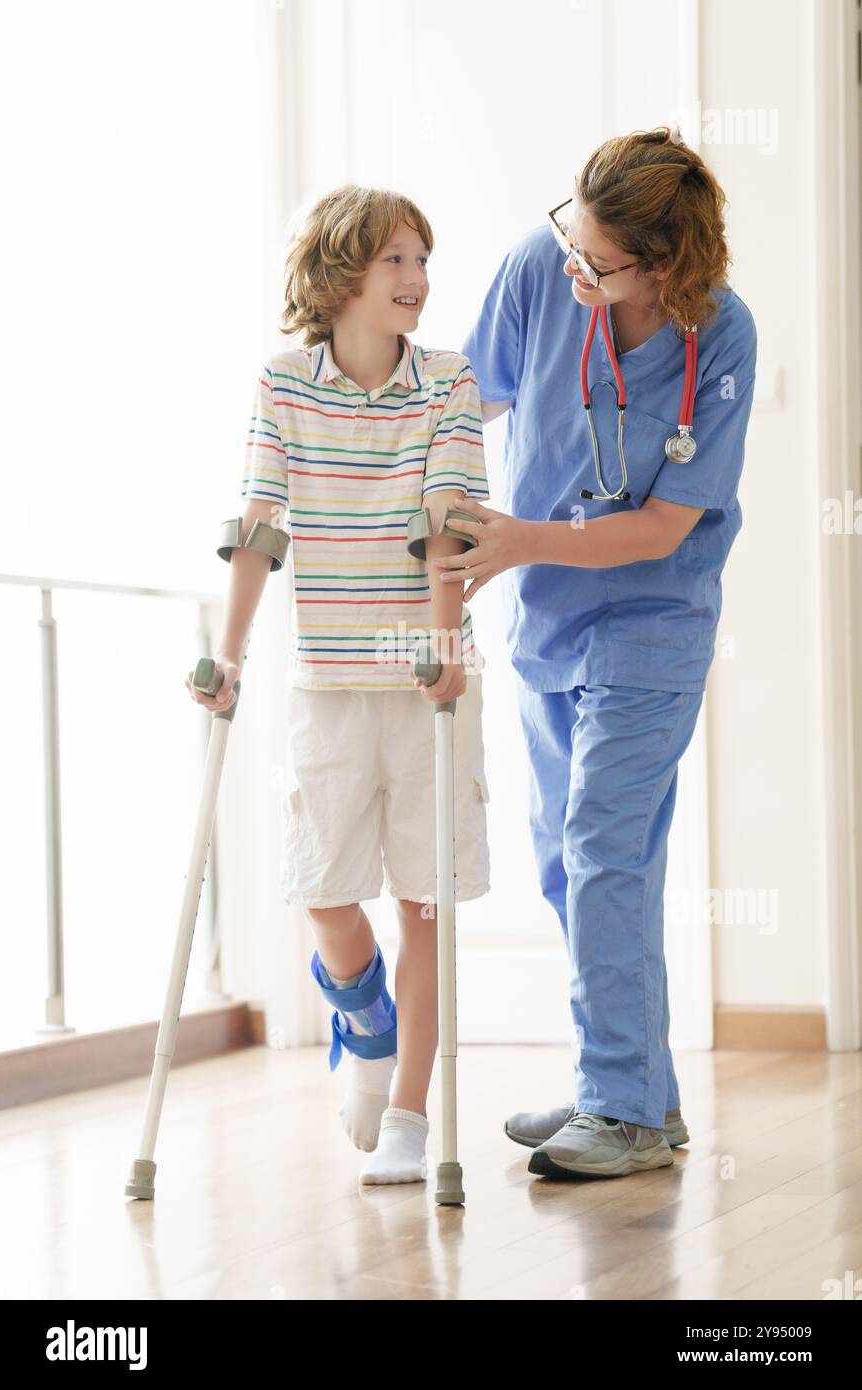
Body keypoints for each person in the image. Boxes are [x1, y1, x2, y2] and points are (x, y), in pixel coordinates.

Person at [437, 127, 757, 1179]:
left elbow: (665, 524)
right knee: (564, 862)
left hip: (653, 621)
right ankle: (636, 1098)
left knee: (600, 844)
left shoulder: (721, 337)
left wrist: (518, 538)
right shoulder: (541, 266)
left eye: (598, 261)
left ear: (660, 265)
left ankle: (615, 1100)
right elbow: (461, 399)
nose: (571, 265)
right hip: (550, 619)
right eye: (567, 240)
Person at [185, 185, 491, 1186]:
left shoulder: (445, 380)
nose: (417, 279)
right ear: (339, 273)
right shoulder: (285, 383)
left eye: (422, 259)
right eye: (395, 260)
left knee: (426, 901)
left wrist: (443, 644)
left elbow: (449, 520)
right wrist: (226, 655)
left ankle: (409, 1111)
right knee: (322, 891)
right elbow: (258, 523)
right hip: (324, 681)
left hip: (426, 682)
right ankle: (363, 1020)